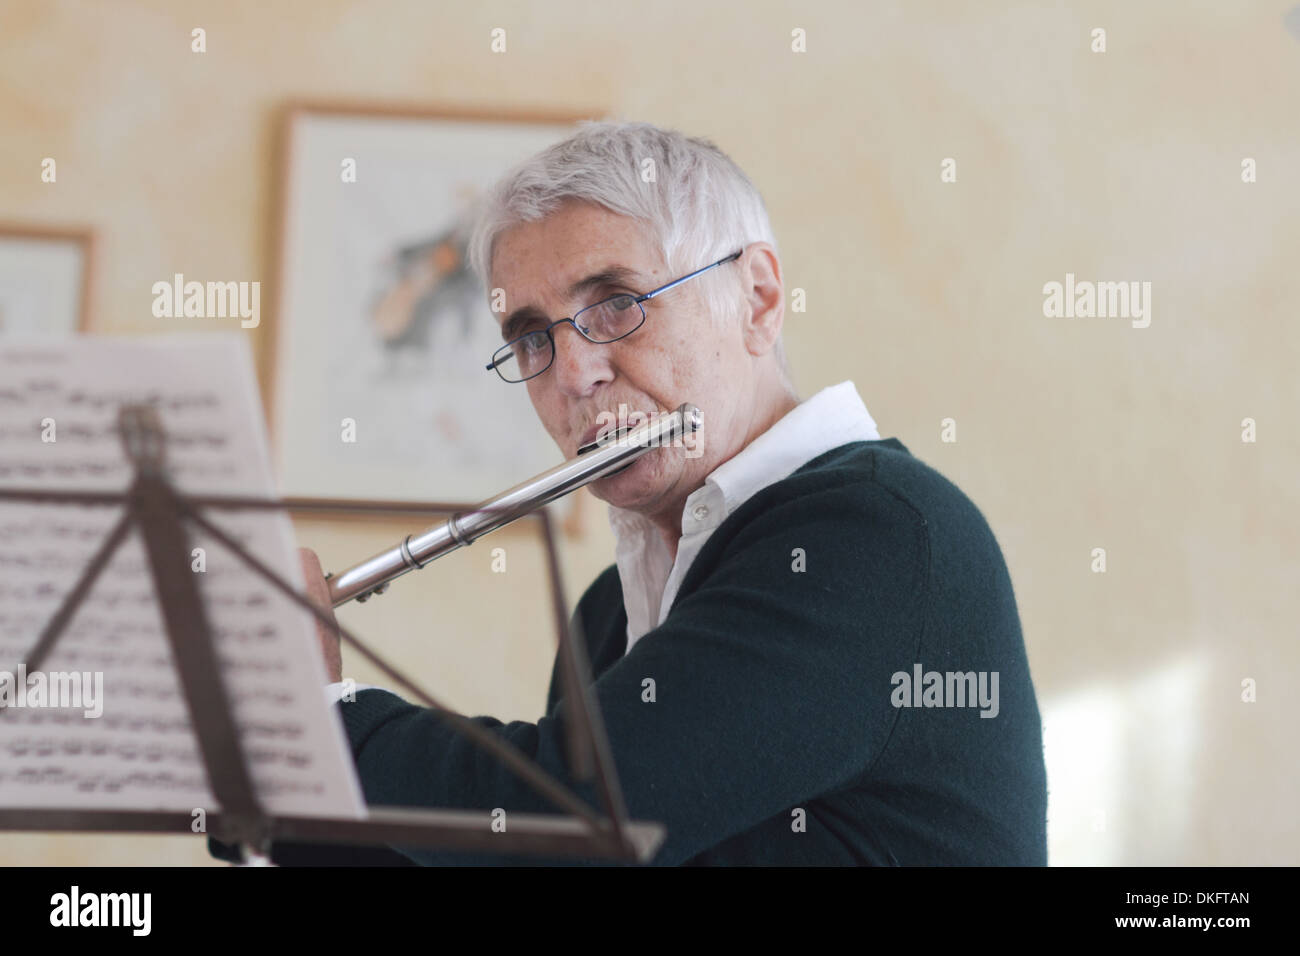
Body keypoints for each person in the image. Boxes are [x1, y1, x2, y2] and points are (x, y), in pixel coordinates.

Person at [212, 120, 1046, 866]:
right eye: (533, 336)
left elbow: (574, 819)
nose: (575, 372)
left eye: (616, 304)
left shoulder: (871, 533)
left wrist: (314, 723)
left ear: (756, 299)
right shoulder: (609, 612)